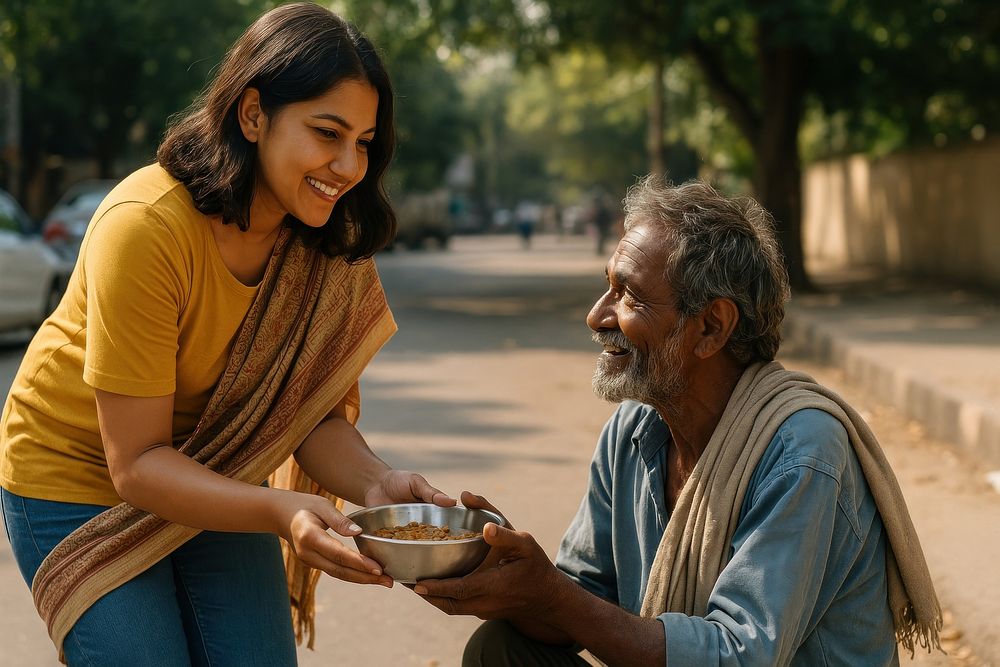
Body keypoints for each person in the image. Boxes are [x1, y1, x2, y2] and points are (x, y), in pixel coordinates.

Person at [0, 4, 454, 665]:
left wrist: (379, 484)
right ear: (252, 114)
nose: (348, 165)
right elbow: (137, 463)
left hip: (216, 465)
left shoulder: (324, 238)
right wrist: (281, 511)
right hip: (78, 477)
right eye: (327, 133)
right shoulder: (146, 226)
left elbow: (309, 418)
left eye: (363, 141)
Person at [415, 177, 942, 666]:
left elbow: (738, 654)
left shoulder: (802, 452)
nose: (597, 317)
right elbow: (582, 599)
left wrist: (553, 596)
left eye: (628, 295)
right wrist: (511, 578)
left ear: (711, 327)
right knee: (503, 650)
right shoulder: (633, 432)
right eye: (607, 289)